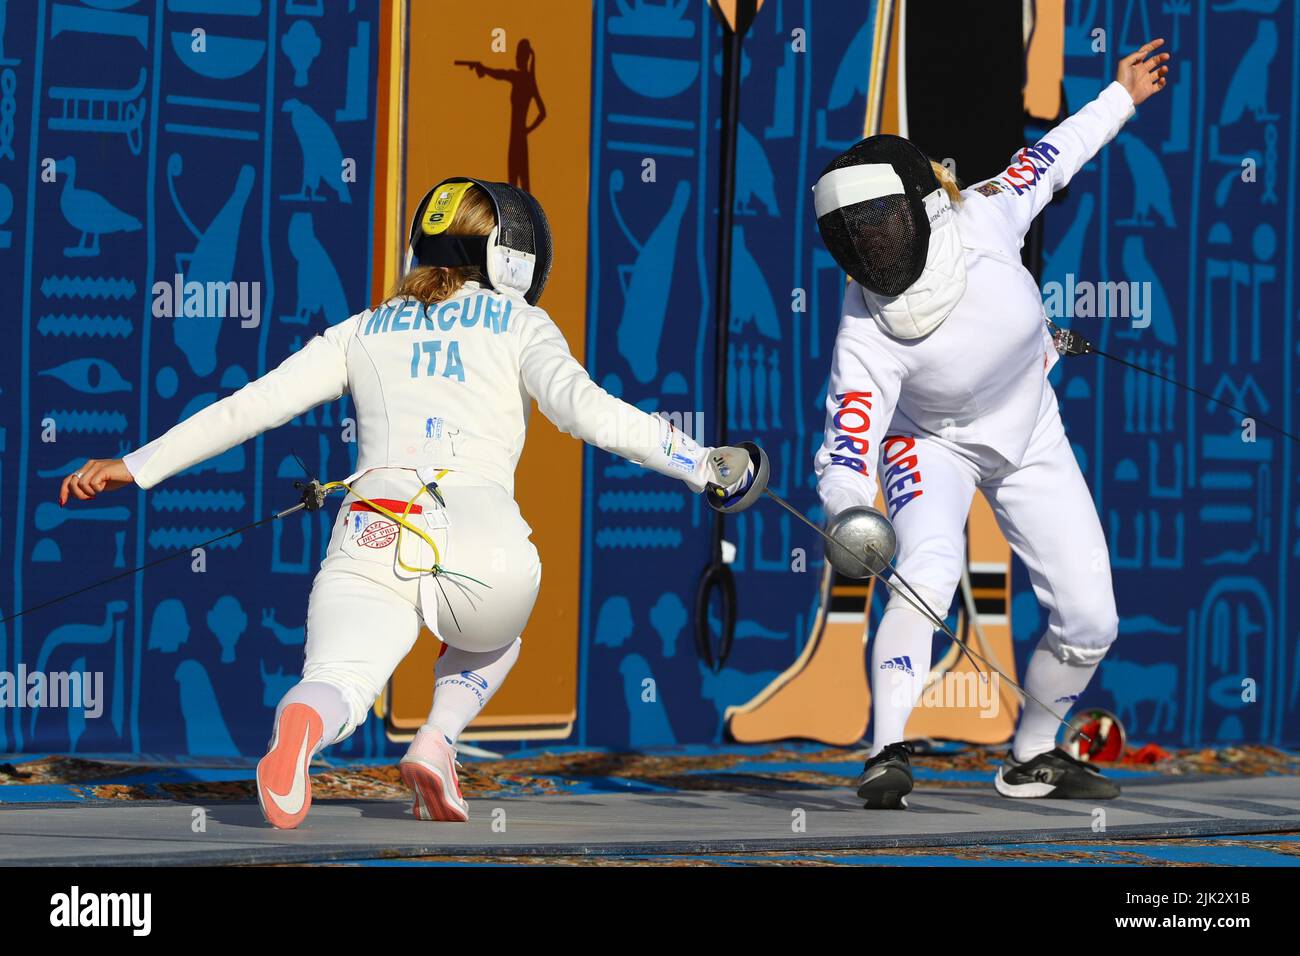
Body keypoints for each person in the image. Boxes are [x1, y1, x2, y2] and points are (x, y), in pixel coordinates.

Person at [59, 178, 755, 828]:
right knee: (495, 638)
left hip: (372, 526)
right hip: (487, 548)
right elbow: (591, 414)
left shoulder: (363, 329)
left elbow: (251, 405)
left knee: (335, 680)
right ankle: (437, 738)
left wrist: (134, 465)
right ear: (511, 256)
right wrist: (702, 465)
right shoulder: (519, 323)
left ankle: (301, 729)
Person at [811, 41, 1170, 807]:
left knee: (1090, 619)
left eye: (881, 225)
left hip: (1030, 432)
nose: (873, 247)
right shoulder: (865, 328)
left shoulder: (985, 209)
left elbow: (1056, 151)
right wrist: (845, 507)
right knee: (929, 569)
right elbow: (849, 439)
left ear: (922, 204)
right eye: (856, 234)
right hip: (930, 442)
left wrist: (1121, 95)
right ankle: (887, 752)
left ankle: (1034, 755)